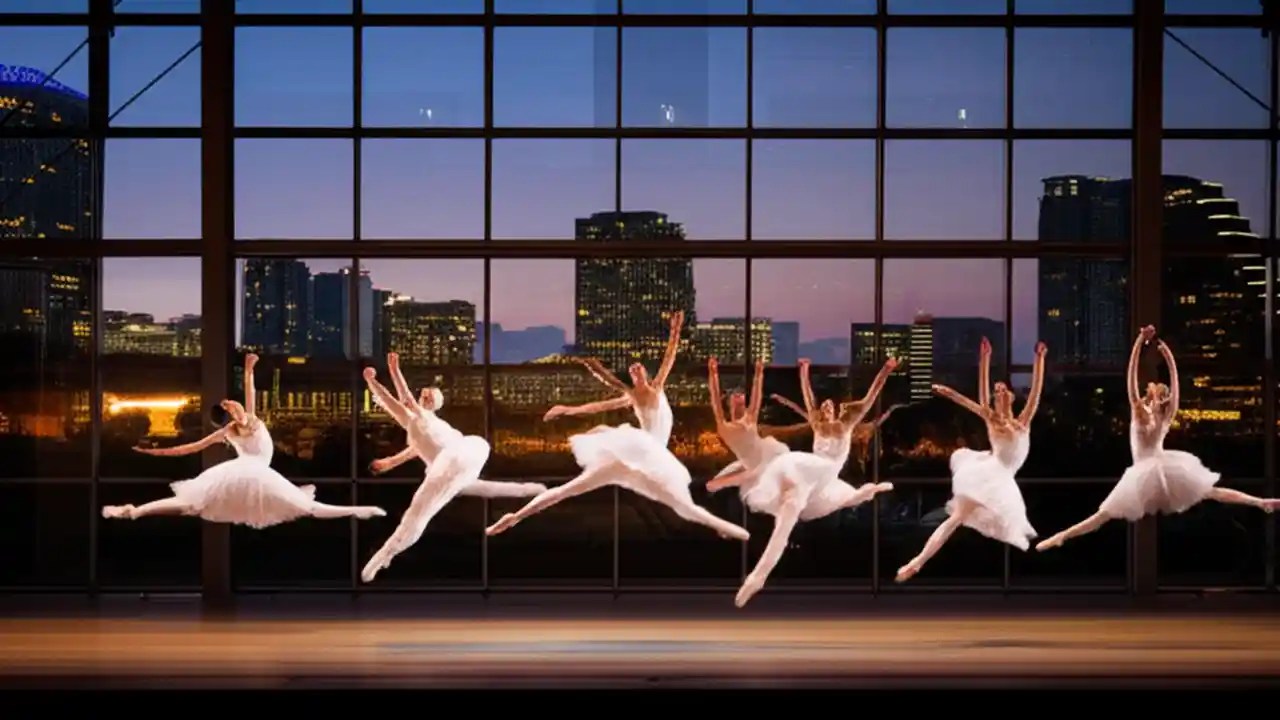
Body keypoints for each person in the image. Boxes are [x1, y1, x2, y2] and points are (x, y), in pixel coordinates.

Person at [486, 310, 750, 542]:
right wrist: (570, 406)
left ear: (645, 373)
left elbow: (669, 357)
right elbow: (603, 394)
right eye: (632, 370)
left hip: (648, 453)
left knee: (680, 503)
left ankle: (722, 528)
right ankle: (516, 517)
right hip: (639, 453)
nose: (635, 370)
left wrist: (676, 329)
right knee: (570, 489)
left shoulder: (656, 387)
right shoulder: (631, 394)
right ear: (633, 377)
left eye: (638, 368)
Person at [1037, 326, 1279, 552]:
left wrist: (1168, 358)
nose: (1153, 394)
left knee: (1210, 491)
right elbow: (1131, 379)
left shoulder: (1162, 418)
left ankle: (1261, 502)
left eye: (1156, 393)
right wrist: (1140, 342)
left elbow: (1175, 393)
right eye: (1152, 392)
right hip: (1145, 471)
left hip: (1160, 467)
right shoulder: (1139, 411)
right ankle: (1062, 536)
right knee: (1104, 514)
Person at [103, 353, 385, 526]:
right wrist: (155, 453)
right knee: (190, 505)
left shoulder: (244, 420)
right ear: (230, 418)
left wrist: (249, 369)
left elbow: (247, 395)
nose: (236, 408)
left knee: (192, 505)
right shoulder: (236, 425)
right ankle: (133, 511)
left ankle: (357, 510)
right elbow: (189, 447)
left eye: (234, 407)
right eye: (232, 410)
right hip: (251, 472)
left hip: (248, 472)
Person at [704, 358, 891, 607]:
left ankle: (870, 491)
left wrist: (886, 370)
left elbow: (870, 396)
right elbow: (807, 397)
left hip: (825, 472)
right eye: (822, 405)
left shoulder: (846, 424)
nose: (824, 407)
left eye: (828, 405)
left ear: (835, 409)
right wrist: (804, 372)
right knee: (790, 511)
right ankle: (758, 577)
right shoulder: (815, 422)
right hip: (810, 473)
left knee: (846, 496)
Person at [360, 352, 543, 582]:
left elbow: (403, 399)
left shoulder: (425, 419)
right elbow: (394, 408)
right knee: (422, 514)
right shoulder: (418, 427)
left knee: (418, 514)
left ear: (430, 404)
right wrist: (388, 462)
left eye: (425, 398)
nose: (419, 399)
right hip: (451, 467)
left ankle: (385, 554)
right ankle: (386, 555)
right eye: (423, 395)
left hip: (460, 455)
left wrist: (393, 370)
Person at [896, 338, 1045, 583]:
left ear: (1011, 397)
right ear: (997, 401)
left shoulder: (1022, 420)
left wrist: (1039, 359)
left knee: (1002, 526)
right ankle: (916, 563)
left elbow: (1036, 392)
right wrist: (983, 360)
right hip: (991, 473)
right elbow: (975, 401)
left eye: (1003, 390)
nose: (1000, 392)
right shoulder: (991, 419)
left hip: (1002, 472)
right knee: (956, 519)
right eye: (997, 392)